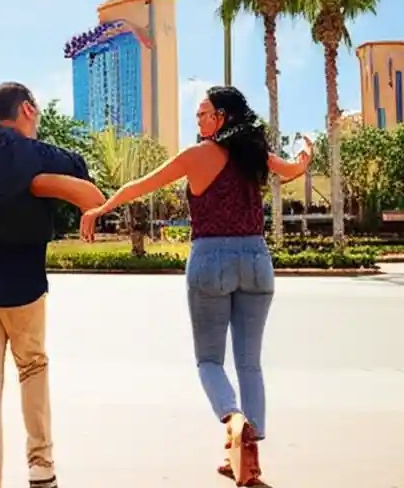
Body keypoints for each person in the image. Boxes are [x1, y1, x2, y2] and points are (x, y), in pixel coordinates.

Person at [81, 86, 312, 487]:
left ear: (222, 117)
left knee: (209, 361)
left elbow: (141, 185)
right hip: (257, 259)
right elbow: (293, 169)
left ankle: (232, 418)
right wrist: (307, 153)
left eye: (204, 114)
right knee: (250, 363)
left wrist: (101, 208)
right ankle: (247, 456)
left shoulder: (197, 155)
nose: (199, 122)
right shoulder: (255, 156)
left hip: (210, 260)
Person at [0, 81, 105, 488]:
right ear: (29, 109)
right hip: (24, 286)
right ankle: (41, 466)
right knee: (32, 367)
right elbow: (83, 179)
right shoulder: (40, 155)